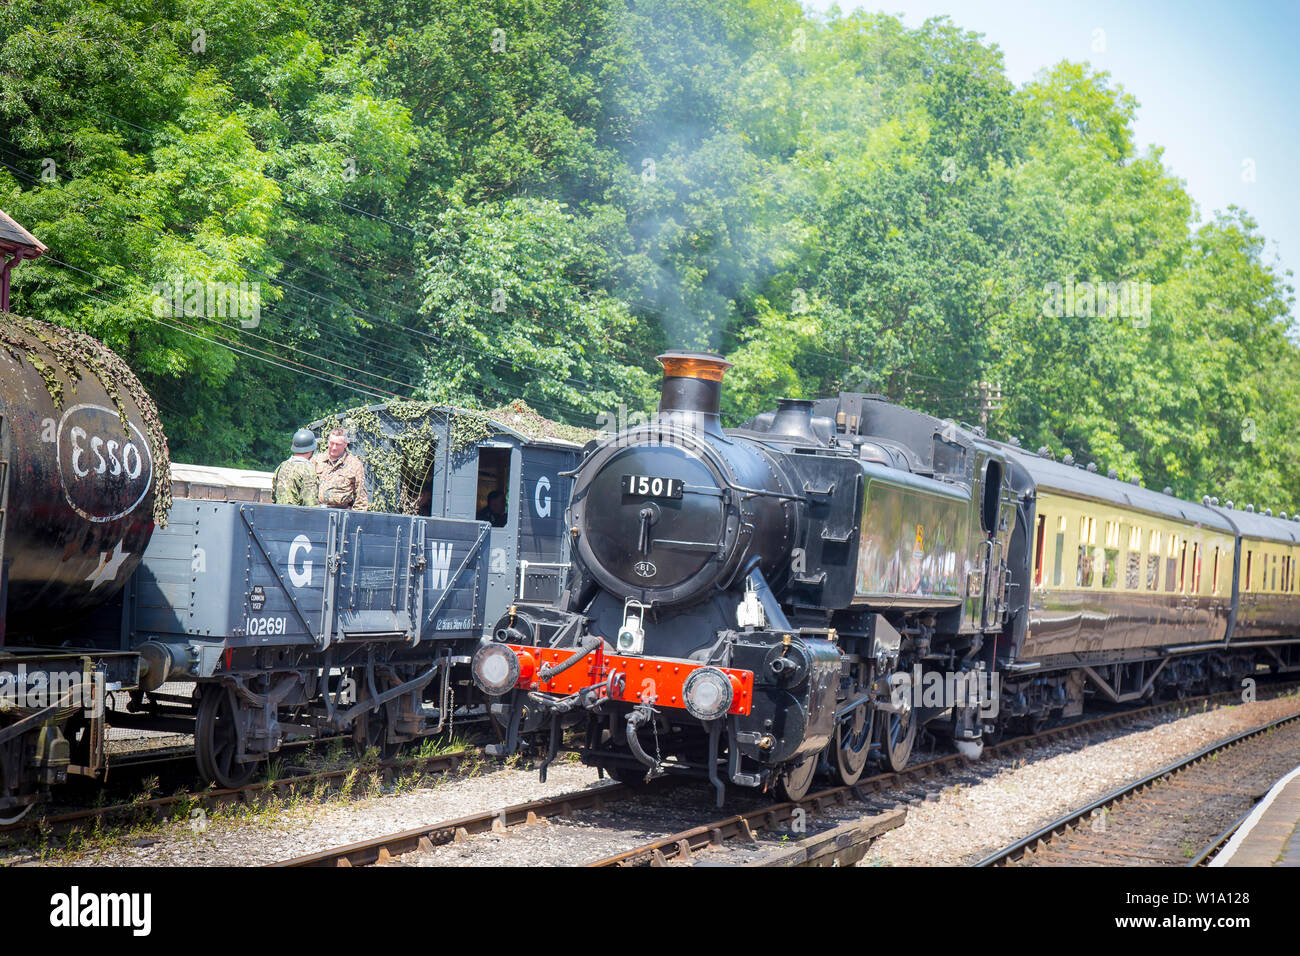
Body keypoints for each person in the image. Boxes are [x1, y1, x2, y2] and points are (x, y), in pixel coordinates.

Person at [315, 427, 369, 511]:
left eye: (338, 444)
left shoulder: (354, 464)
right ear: (328, 441)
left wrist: (355, 518)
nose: (334, 447)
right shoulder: (317, 460)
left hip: (340, 513)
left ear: (345, 444)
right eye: (331, 443)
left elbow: (361, 497)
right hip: (316, 511)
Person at [271, 429, 320, 507]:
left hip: (279, 514)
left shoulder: (282, 466)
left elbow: (274, 496)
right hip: (296, 516)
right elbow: (310, 504)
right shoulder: (307, 470)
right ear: (312, 449)